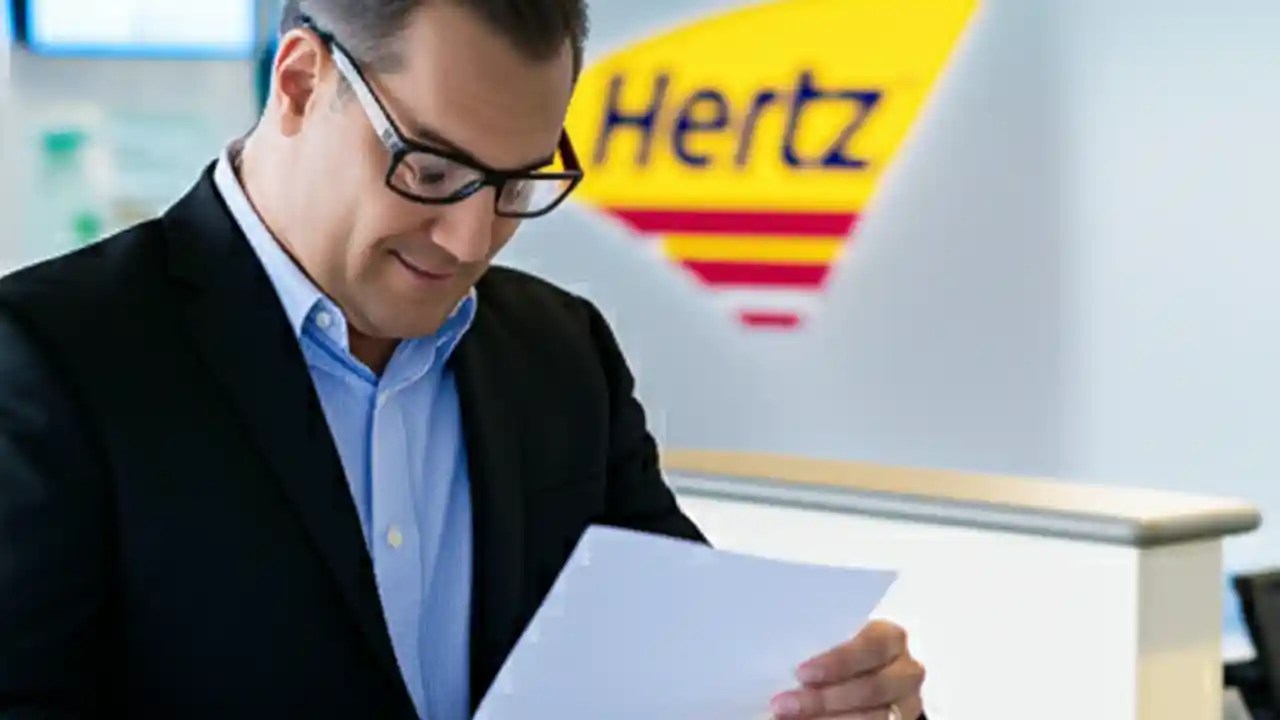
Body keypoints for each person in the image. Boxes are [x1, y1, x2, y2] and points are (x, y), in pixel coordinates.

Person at [0, 1, 926, 718]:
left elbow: (684, 674)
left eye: (518, 183)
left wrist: (821, 692)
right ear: (299, 81)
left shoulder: (562, 357)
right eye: (431, 170)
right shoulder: (49, 360)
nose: (472, 236)